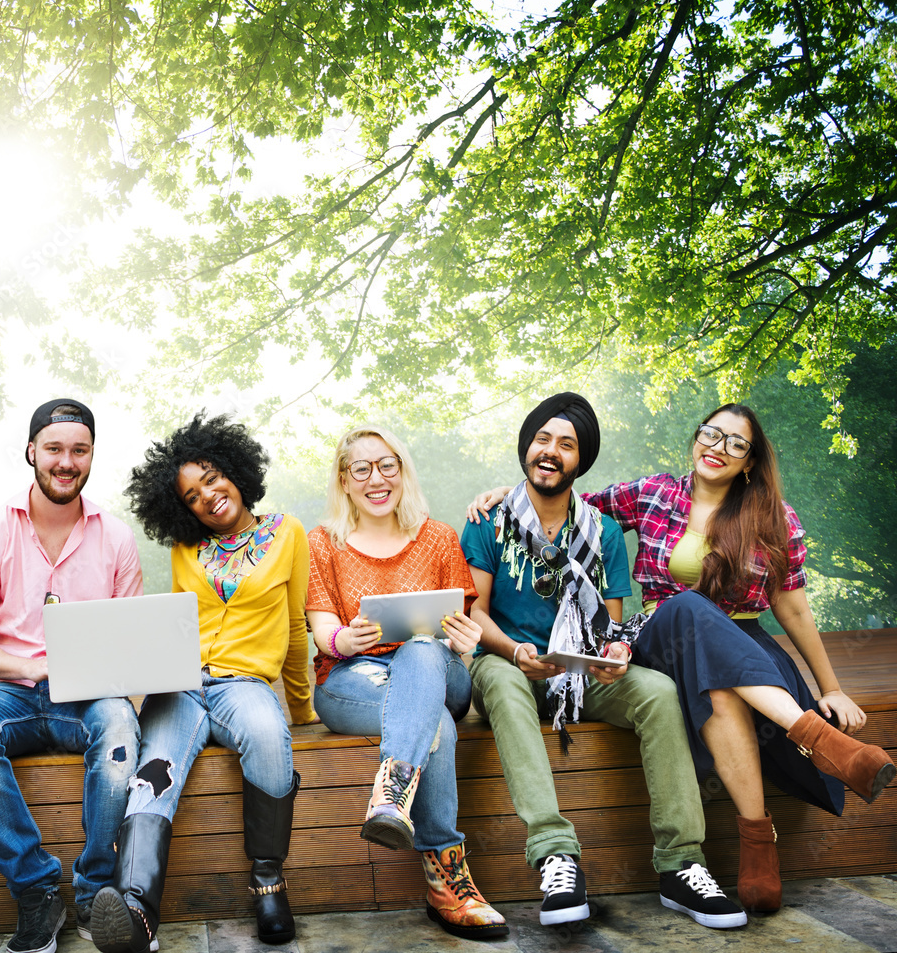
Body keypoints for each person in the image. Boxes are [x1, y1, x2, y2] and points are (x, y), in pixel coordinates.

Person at [470, 402, 897, 913]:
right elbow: (567, 501)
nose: (718, 448)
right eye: (711, 435)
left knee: (715, 683)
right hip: (661, 635)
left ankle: (748, 843)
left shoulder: (772, 517)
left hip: (739, 647)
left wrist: (831, 686)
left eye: (736, 443)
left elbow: (796, 610)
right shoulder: (652, 493)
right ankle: (816, 739)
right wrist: (505, 495)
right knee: (686, 606)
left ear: (751, 461)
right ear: (696, 439)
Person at [461, 393, 746, 930]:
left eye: (565, 445)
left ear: (580, 460)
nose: (550, 452)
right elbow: (472, 611)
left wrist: (614, 655)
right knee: (499, 678)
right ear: (526, 448)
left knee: (657, 691)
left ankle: (681, 863)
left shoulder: (603, 531)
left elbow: (607, 627)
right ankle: (555, 855)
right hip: (508, 663)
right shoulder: (489, 520)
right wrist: (515, 650)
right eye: (541, 440)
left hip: (579, 674)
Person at [90, 413, 316, 953]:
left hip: (245, 685)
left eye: (212, 477)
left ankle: (268, 883)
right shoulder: (184, 549)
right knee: (154, 768)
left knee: (267, 732)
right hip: (182, 684)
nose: (208, 497)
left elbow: (294, 625)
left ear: (236, 472)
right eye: (191, 495)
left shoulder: (286, 533)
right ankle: (136, 904)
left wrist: (302, 708)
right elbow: (177, 625)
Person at [0, 399, 142, 953]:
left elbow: (131, 640)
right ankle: (36, 894)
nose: (66, 461)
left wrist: (116, 678)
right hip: (8, 693)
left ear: (91, 457)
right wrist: (32, 666)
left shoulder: (117, 538)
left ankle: (95, 891)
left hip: (86, 696)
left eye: (79, 450)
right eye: (54, 449)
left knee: (121, 727)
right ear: (31, 452)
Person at [305, 426, 509, 941]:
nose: (377, 479)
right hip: (353, 681)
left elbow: (464, 620)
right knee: (430, 719)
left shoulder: (438, 536)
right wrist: (344, 642)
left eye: (388, 465)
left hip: (442, 673)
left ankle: (392, 794)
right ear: (344, 480)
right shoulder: (322, 543)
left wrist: (465, 641)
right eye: (362, 469)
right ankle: (448, 881)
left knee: (423, 647)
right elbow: (324, 627)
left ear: (403, 471)